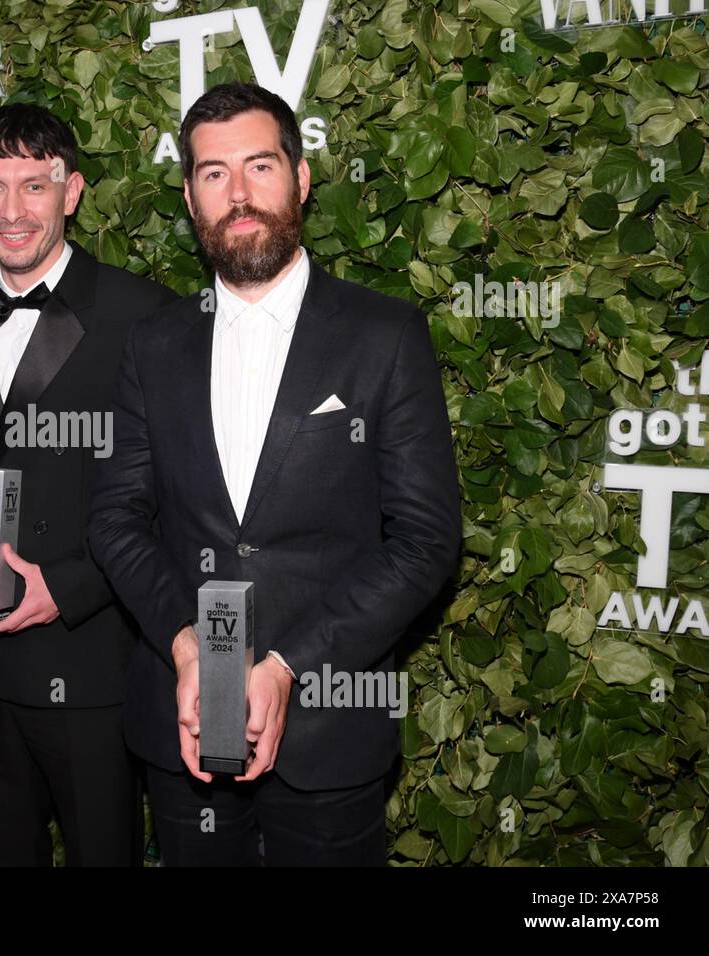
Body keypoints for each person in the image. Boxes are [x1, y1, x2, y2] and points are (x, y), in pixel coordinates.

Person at [87, 83, 461, 866]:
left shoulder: (384, 334)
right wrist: (187, 648)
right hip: (182, 727)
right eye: (214, 173)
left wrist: (290, 666)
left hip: (330, 736)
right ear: (190, 196)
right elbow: (116, 518)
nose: (240, 193)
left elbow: (425, 541)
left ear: (301, 176)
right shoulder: (153, 346)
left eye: (260, 165)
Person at [0, 103, 176, 866]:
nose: (12, 210)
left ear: (74, 192)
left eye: (35, 186)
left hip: (90, 659)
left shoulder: (145, 316)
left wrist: (66, 587)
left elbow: (171, 497)